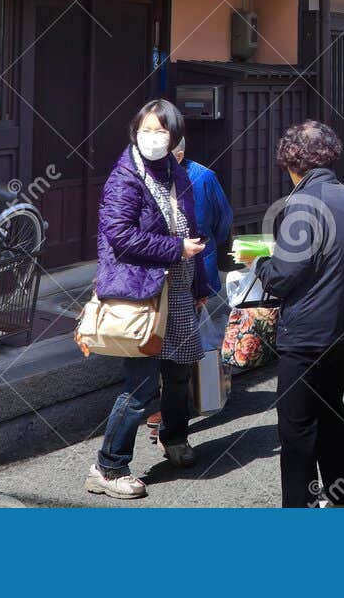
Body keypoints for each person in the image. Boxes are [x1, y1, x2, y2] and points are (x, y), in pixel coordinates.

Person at [87, 100, 230, 501]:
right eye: (146, 130)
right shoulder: (124, 178)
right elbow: (120, 236)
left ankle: (175, 437)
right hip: (142, 293)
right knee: (141, 385)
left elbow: (194, 233)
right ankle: (108, 466)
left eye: (161, 131)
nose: (152, 138)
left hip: (179, 288)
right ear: (135, 133)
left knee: (180, 371)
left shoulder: (177, 174)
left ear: (174, 138)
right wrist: (175, 249)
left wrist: (200, 287)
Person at [248, 120, 344, 508]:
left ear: (291, 160)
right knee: (332, 410)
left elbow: (283, 276)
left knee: (298, 426)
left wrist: (259, 263)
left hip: (306, 333)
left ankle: (300, 506)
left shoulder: (303, 204)